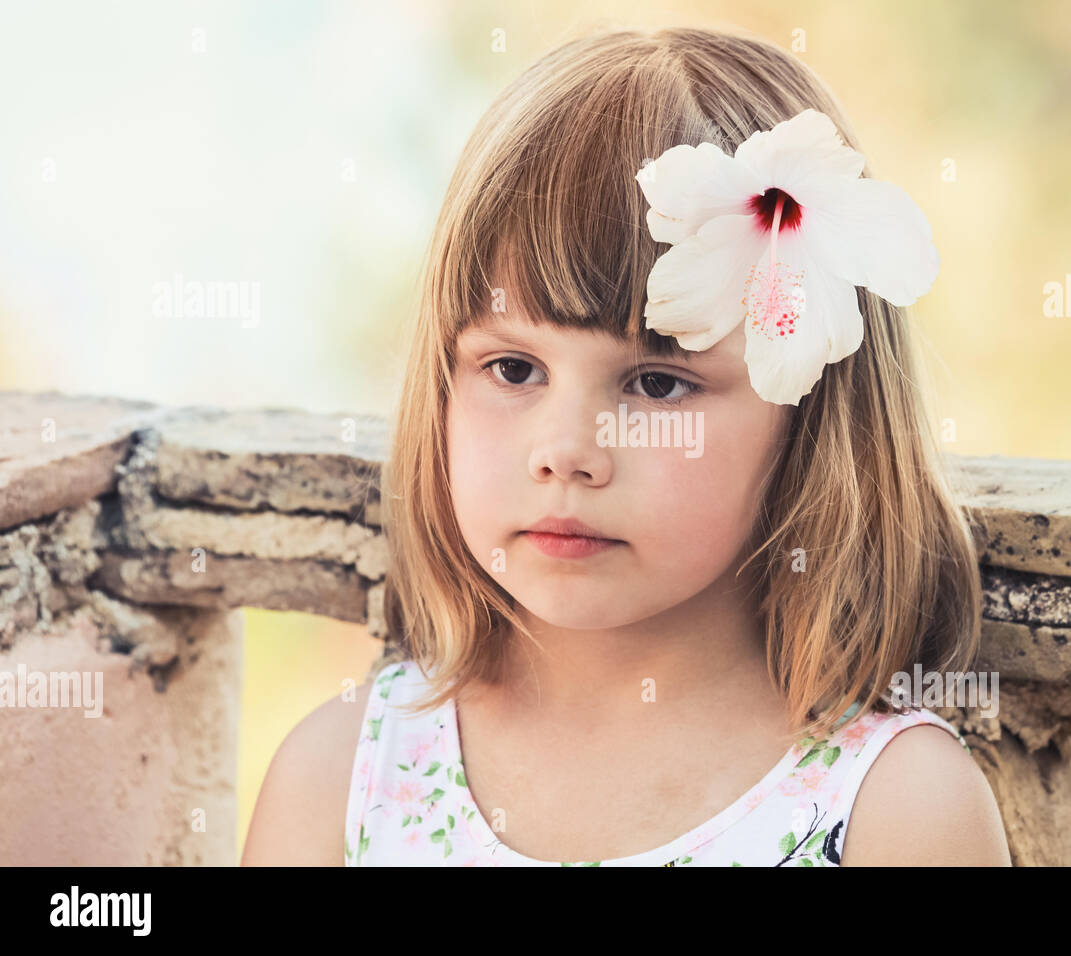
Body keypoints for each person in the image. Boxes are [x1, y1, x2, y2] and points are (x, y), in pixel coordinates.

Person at [243, 24, 1011, 867]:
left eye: (655, 384)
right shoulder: (342, 780)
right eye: (512, 367)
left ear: (809, 417)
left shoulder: (895, 810)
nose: (567, 450)